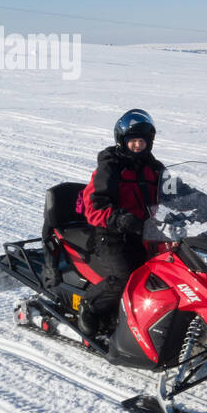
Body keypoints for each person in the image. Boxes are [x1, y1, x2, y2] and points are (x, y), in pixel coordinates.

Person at [77, 109, 165, 338]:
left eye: (142, 141)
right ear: (122, 141)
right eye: (133, 141)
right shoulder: (110, 167)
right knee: (126, 277)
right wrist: (118, 218)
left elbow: (174, 191)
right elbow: (94, 207)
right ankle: (90, 307)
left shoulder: (155, 168)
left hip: (145, 234)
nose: (137, 146)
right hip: (110, 235)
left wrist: (199, 201)